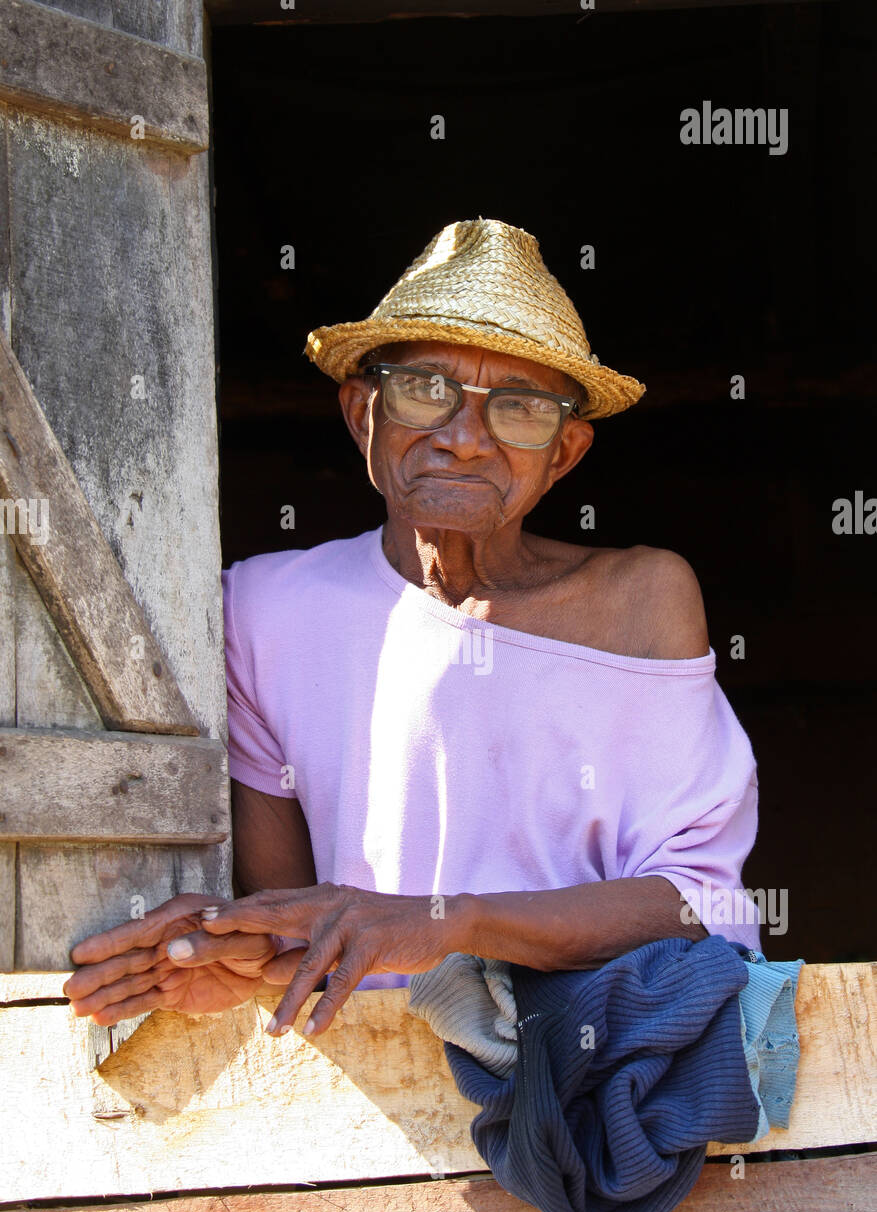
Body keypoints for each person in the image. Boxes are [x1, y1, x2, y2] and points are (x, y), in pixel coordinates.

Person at [63, 217, 761, 1041]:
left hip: (592, 1049)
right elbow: (305, 920)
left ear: (564, 454)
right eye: (424, 390)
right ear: (363, 414)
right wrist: (229, 948)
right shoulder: (259, 608)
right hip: (374, 1071)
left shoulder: (641, 600)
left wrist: (449, 923)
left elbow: (697, 904)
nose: (464, 439)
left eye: (520, 410)